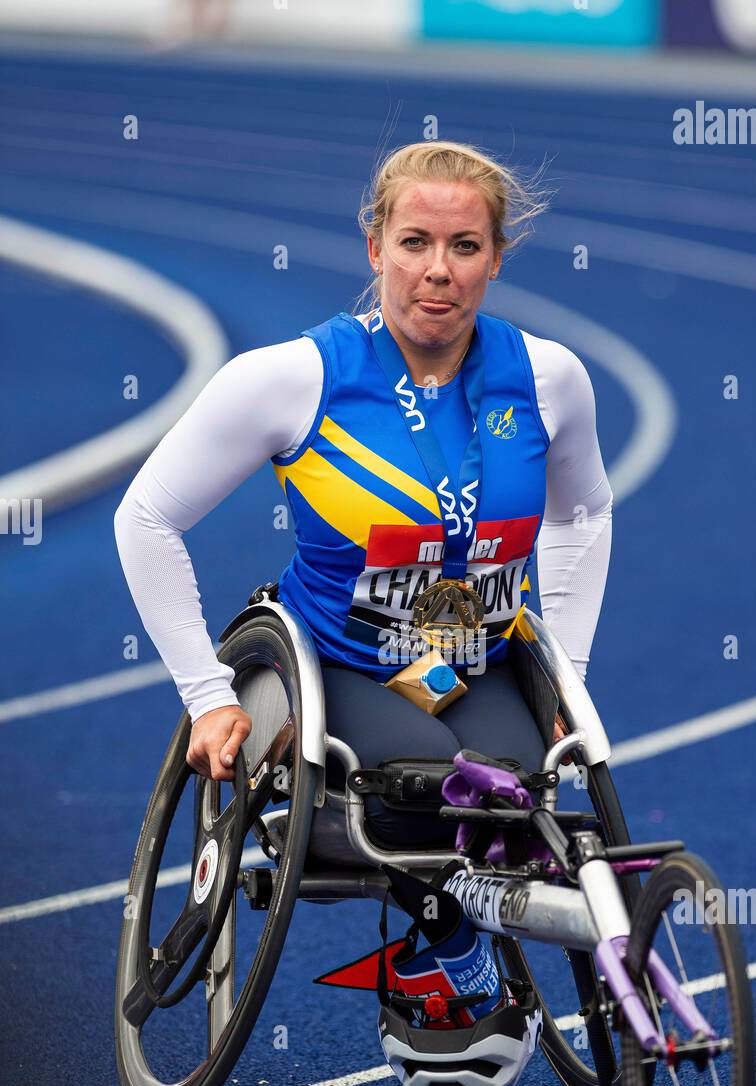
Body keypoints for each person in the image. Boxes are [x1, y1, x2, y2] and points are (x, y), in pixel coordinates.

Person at [114, 139, 613, 852]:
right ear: (376, 248)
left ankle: (431, 952)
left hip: (479, 664)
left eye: (465, 246)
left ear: (495, 260)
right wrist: (207, 697)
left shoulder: (547, 377)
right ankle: (331, 842)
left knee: (518, 801)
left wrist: (570, 674)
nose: (438, 270)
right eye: (414, 242)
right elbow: (146, 517)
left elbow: (584, 513)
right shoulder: (291, 379)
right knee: (424, 792)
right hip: (338, 664)